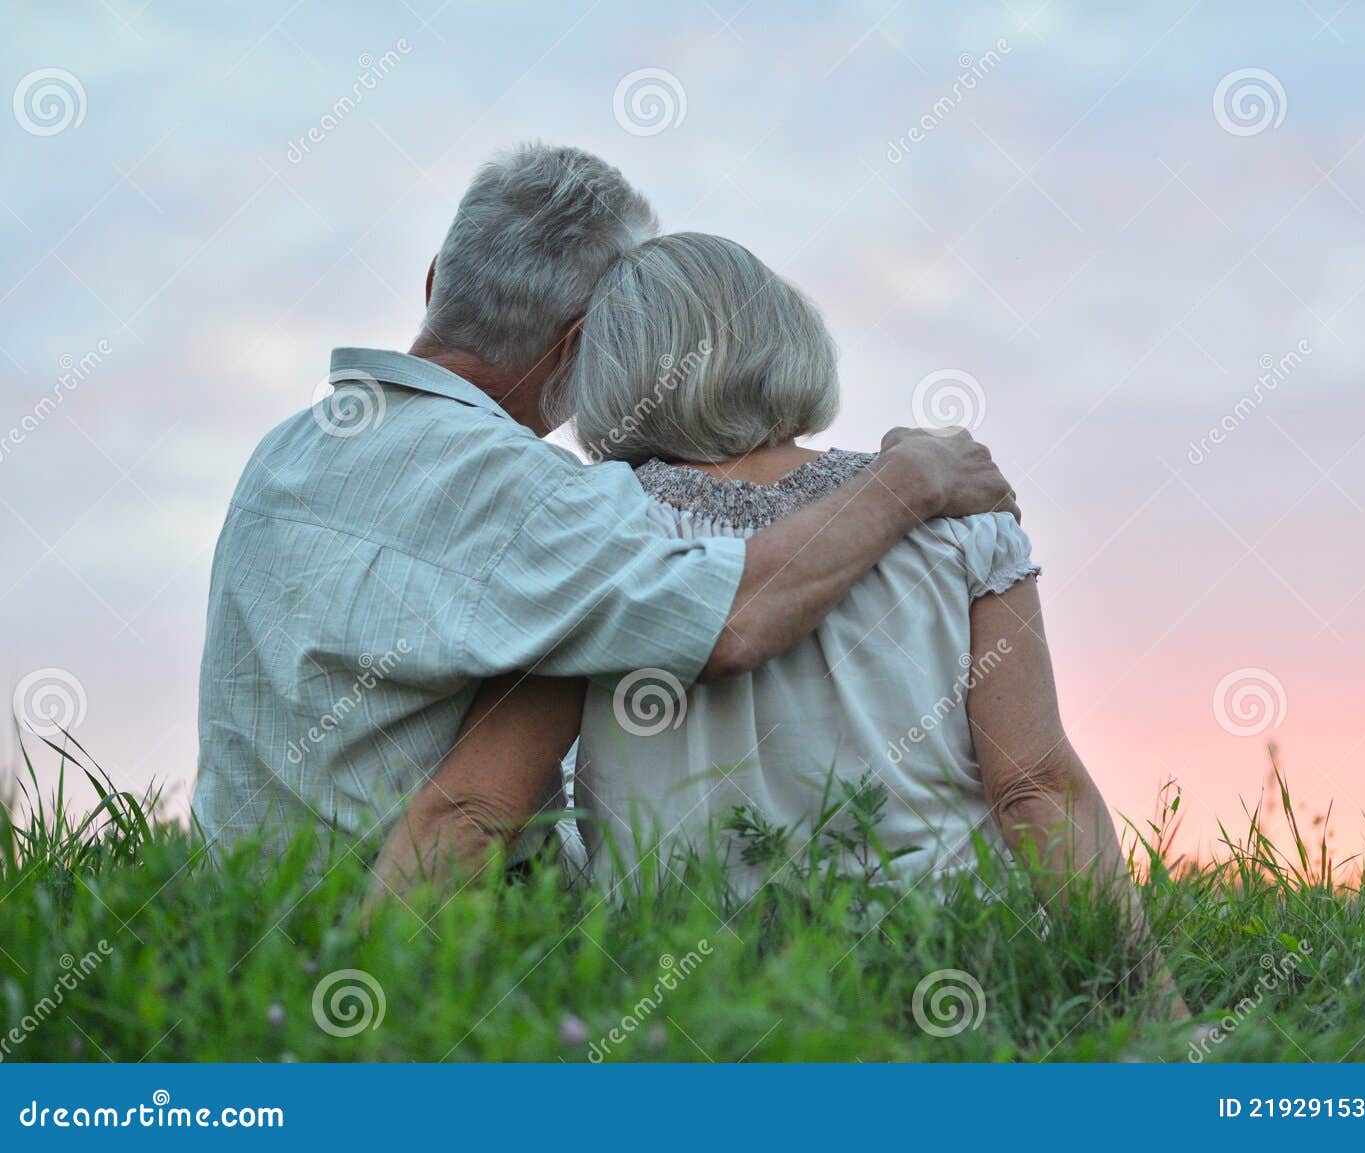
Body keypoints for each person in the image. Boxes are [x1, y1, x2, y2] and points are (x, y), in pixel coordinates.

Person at [374, 233, 1186, 1018]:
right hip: (948, 981)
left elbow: (471, 808)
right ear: (788, 339)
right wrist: (1159, 1011)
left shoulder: (593, 536)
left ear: (606, 376)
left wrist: (354, 1003)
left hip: (681, 1007)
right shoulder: (958, 517)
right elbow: (1036, 788)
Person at [191, 145, 1016, 860]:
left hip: (232, 916)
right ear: (583, 346)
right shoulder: (530, 490)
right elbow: (733, 617)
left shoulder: (283, 451)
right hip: (415, 919)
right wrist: (910, 479)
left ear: (437, 278)